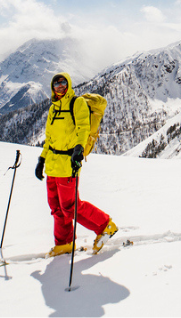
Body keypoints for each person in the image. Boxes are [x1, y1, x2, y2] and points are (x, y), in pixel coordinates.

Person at [35, 73, 117, 256]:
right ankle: (63, 243)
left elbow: (83, 128)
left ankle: (105, 226)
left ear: (68, 84)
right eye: (56, 83)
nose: (60, 86)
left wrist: (78, 150)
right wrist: (42, 159)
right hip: (52, 166)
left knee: (70, 207)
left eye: (63, 82)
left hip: (68, 163)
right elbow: (49, 138)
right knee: (56, 207)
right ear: (52, 87)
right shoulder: (53, 109)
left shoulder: (77, 103)